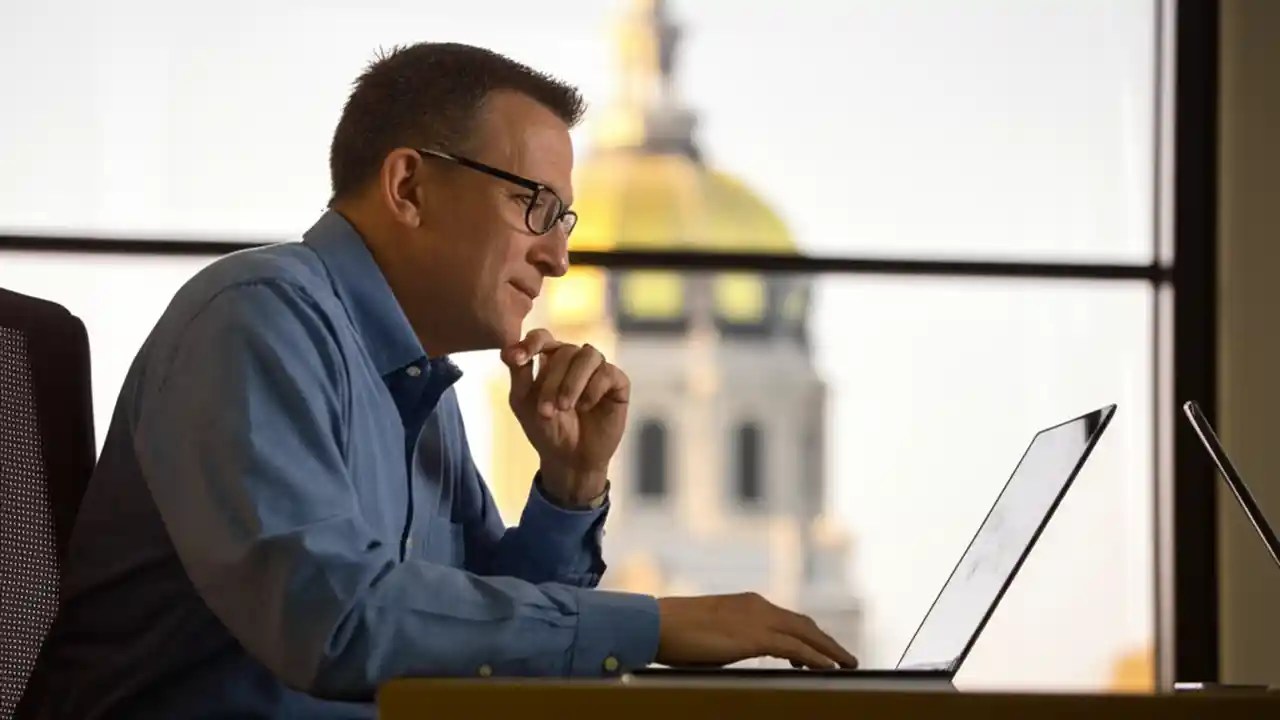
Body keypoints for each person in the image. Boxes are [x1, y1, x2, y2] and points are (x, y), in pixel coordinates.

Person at [44, 42, 856, 719]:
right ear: (409, 187)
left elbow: (475, 656)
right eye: (536, 206)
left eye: (563, 221)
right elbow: (334, 622)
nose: (557, 256)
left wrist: (569, 491)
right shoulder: (257, 319)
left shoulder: (423, 394)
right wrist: (657, 627)